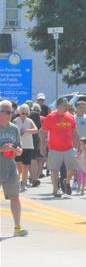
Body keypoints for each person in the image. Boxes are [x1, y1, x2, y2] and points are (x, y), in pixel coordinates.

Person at [40, 97, 83, 198]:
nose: (66, 107)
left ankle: (66, 181)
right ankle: (55, 189)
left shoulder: (70, 116)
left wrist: (79, 145)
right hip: (55, 149)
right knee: (54, 170)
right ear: (59, 105)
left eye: (67, 105)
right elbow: (43, 132)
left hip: (69, 148)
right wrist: (42, 146)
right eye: (64, 105)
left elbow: (74, 132)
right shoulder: (50, 117)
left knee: (73, 168)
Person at [0, 100, 28, 236]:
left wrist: (19, 151)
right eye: (8, 112)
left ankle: (17, 227)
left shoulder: (14, 128)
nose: (11, 114)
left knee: (15, 197)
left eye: (12, 112)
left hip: (10, 167)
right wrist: (2, 149)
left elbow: (19, 146)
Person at [12, 104, 36, 192]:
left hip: (28, 146)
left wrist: (26, 130)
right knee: (18, 166)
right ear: (19, 112)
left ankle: (24, 184)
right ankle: (16, 183)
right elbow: (12, 131)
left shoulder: (29, 121)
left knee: (25, 167)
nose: (24, 114)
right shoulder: (15, 121)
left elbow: (36, 130)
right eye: (22, 112)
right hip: (18, 146)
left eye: (26, 113)